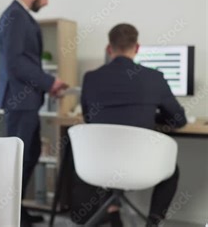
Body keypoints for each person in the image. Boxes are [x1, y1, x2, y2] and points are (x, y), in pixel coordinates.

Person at [77, 23, 186, 227]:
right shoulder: (154, 77)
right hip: (141, 165)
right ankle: (153, 222)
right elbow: (179, 120)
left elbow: (89, 119)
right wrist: (152, 117)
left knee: (110, 151)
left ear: (109, 49)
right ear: (137, 48)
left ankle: (113, 212)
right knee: (172, 169)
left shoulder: (90, 78)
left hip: (98, 165)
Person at [0, 0, 68, 226]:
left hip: (26, 100)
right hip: (19, 101)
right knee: (18, 161)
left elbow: (24, 62)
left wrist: (50, 85)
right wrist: (49, 82)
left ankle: (19, 209)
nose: (47, 1)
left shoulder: (21, 17)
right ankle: (10, 214)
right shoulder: (15, 16)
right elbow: (15, 64)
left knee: (31, 153)